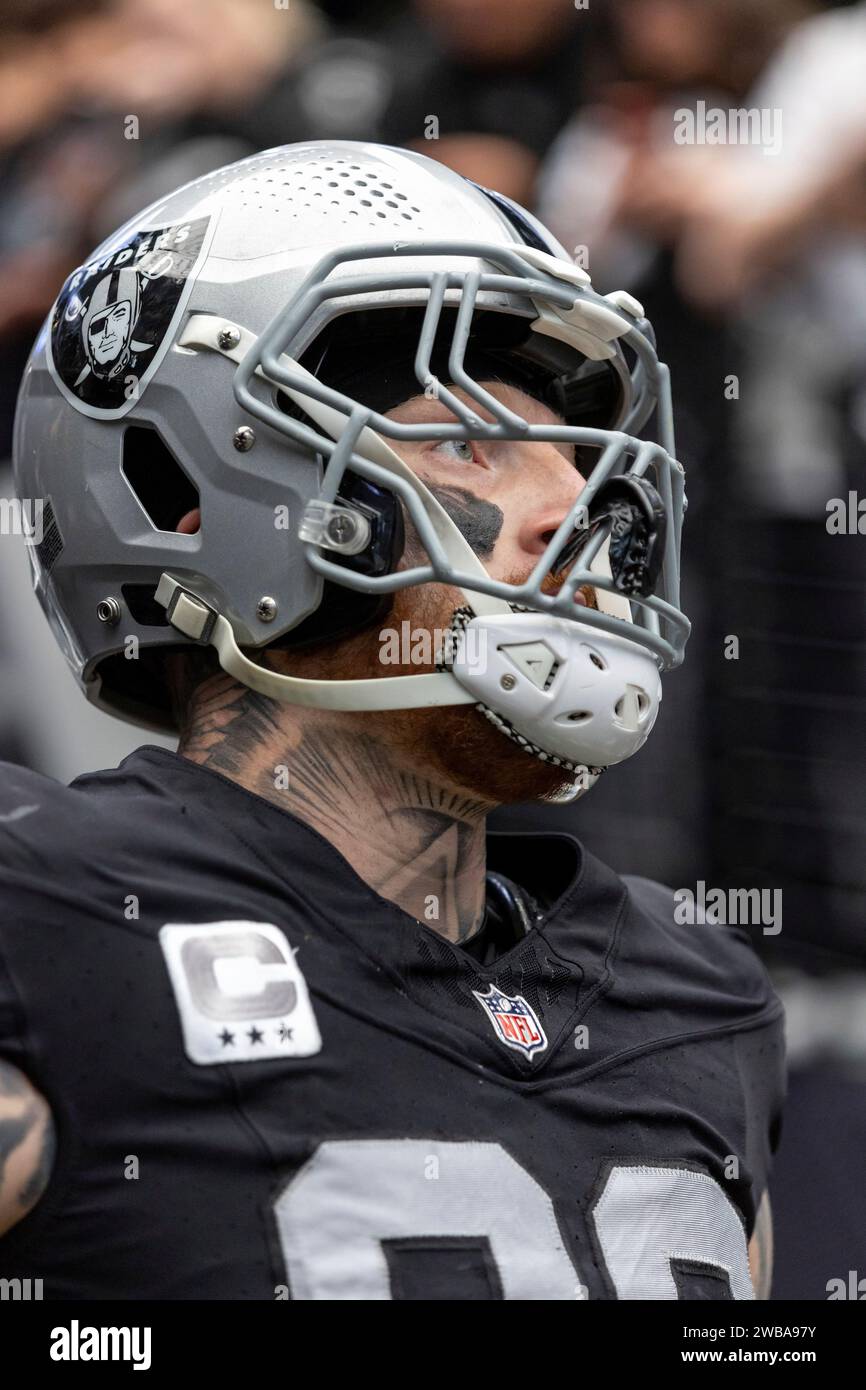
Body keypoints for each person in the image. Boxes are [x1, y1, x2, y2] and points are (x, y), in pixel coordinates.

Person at [0, 140, 782, 1300]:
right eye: (469, 437)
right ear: (197, 488)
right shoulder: (43, 913)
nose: (578, 505)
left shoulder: (695, 1003)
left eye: (570, 450)